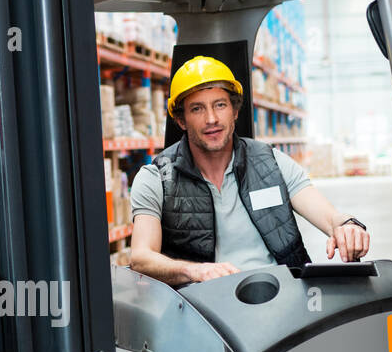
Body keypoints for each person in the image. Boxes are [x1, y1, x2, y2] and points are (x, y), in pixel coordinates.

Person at [128, 55, 371, 285]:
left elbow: (329, 217)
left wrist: (347, 226)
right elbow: (140, 257)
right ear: (181, 120)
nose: (211, 118)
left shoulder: (271, 162)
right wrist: (195, 270)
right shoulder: (157, 178)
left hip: (282, 300)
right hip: (204, 310)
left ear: (234, 111)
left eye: (220, 105)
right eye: (197, 109)